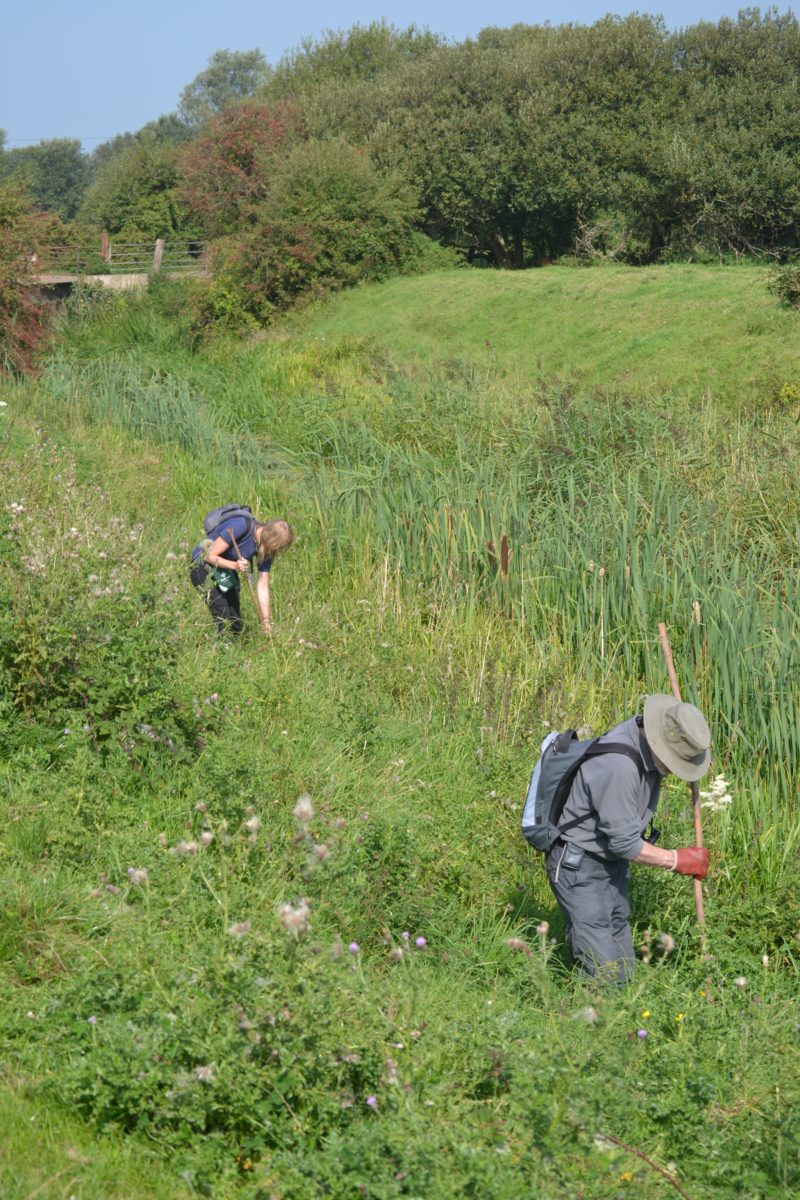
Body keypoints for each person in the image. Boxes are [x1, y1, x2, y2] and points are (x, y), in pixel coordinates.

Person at [544, 695, 711, 985]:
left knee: (622, 960)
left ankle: (620, 1017)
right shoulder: (618, 766)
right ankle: (593, 1025)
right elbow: (625, 844)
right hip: (578, 864)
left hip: (610, 861)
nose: (674, 771)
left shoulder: (645, 735)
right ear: (661, 744)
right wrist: (677, 860)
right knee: (605, 971)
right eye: (675, 762)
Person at [190, 513, 293, 635]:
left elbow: (262, 585)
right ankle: (222, 647)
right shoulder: (241, 526)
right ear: (270, 539)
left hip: (224, 570)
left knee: (235, 623)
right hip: (202, 566)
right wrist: (235, 565)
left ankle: (233, 646)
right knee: (222, 615)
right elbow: (208, 555)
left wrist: (266, 622)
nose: (277, 551)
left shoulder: (265, 549)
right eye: (278, 547)